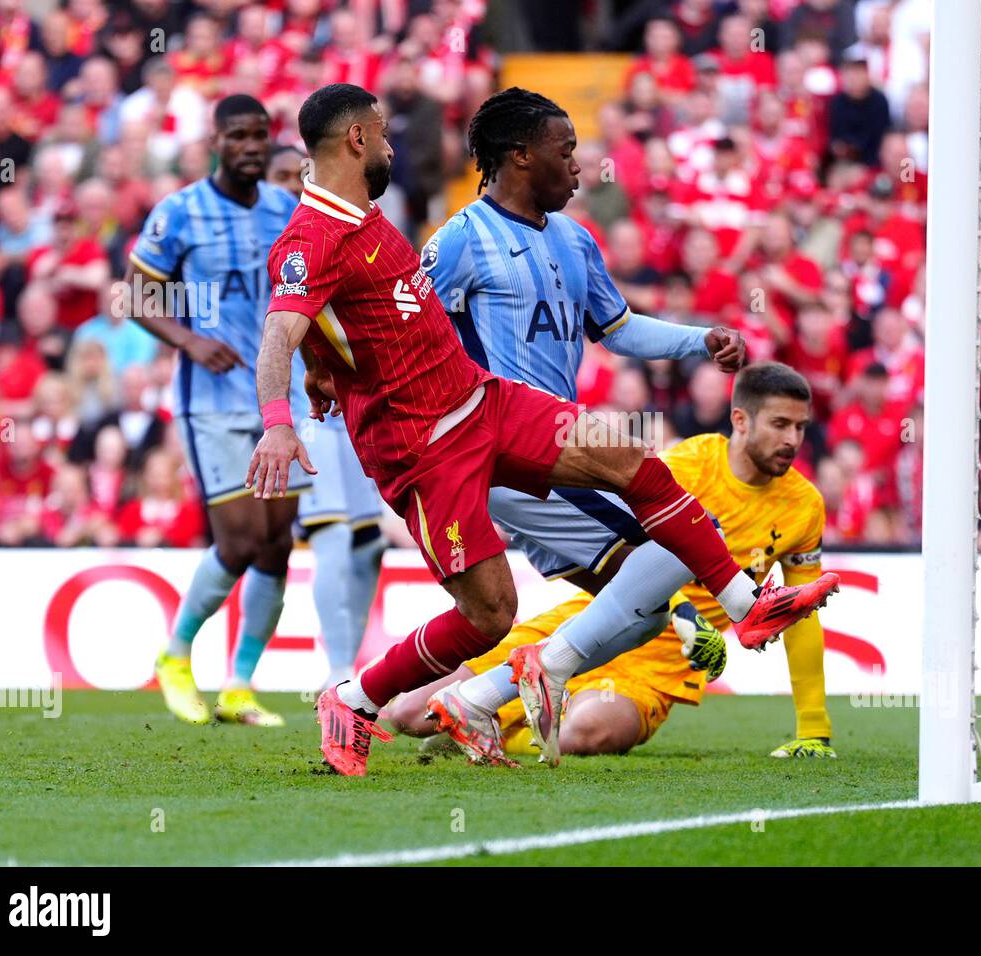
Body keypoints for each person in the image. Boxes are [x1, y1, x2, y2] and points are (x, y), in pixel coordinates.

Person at [248, 83, 839, 776]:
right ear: (356, 141)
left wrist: (328, 368)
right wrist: (278, 423)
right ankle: (358, 697)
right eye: (380, 135)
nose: (389, 146)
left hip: (487, 401)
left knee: (633, 463)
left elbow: (348, 323)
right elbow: (280, 332)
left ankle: (747, 606)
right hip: (425, 446)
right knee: (490, 614)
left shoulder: (372, 220)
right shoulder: (319, 237)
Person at [392, 363, 837, 762]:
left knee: (587, 731)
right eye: (780, 424)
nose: (792, 440)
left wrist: (814, 727)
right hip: (597, 618)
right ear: (740, 419)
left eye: (800, 427)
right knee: (410, 713)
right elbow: (625, 545)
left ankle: (495, 723)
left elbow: (799, 616)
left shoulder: (804, 507)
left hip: (657, 666)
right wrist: (684, 611)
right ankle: (489, 712)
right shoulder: (688, 464)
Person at [124, 94, 307, 727]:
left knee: (278, 543)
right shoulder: (179, 212)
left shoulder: (289, 209)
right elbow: (137, 294)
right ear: (215, 142)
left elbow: (310, 301)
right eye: (238, 136)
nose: (251, 146)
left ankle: (239, 684)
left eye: (260, 135)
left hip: (284, 397)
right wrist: (189, 340)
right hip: (214, 403)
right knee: (240, 539)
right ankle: (175, 656)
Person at [268, 141, 387, 689]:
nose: (294, 182)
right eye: (283, 174)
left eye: (302, 172)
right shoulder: (280, 239)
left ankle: (354, 662)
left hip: (354, 402)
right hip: (303, 409)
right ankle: (339, 670)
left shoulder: (342, 226)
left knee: (367, 540)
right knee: (333, 534)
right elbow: (273, 336)